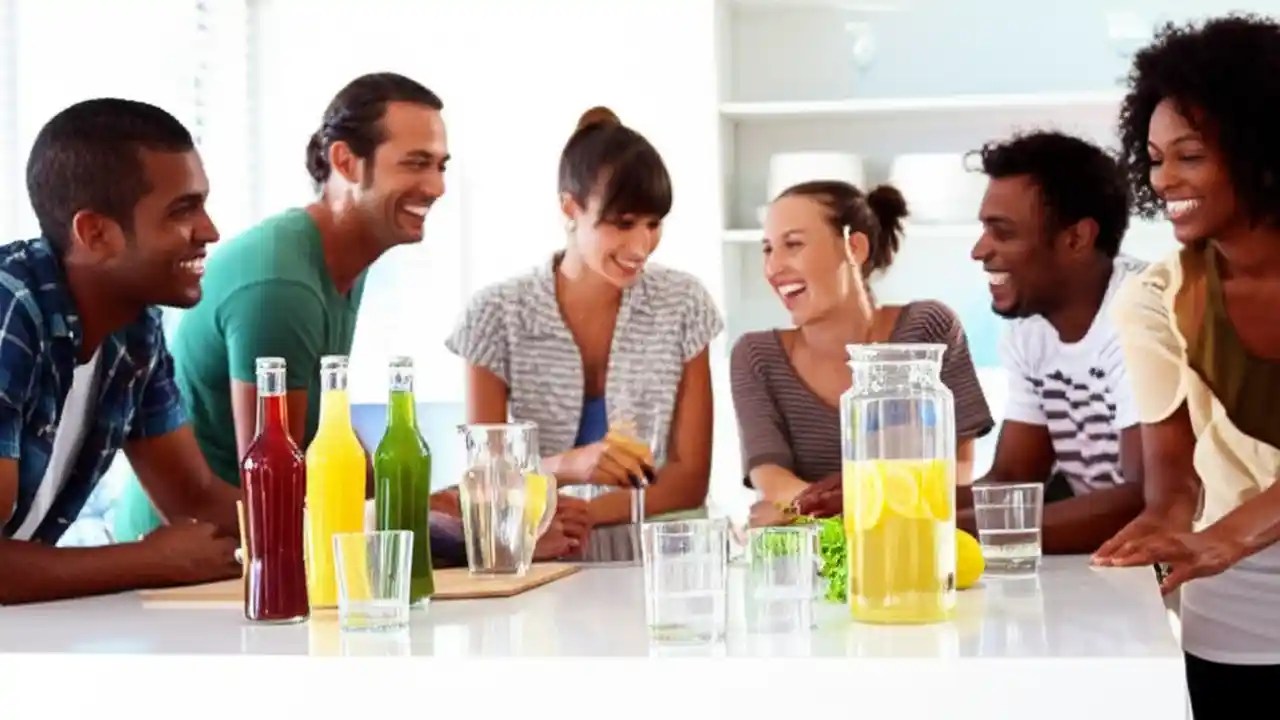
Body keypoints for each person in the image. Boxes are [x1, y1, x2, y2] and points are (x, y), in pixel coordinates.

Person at [109, 73, 583, 560]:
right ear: (345, 162)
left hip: (251, 546)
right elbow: (282, 491)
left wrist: (440, 507)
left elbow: (328, 435)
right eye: (416, 164)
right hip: (195, 556)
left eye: (441, 166)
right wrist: (489, 539)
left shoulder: (333, 266)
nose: (437, 186)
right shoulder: (282, 284)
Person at [1091, 15, 1280, 711]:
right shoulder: (1154, 301)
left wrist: (1223, 538)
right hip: (1236, 614)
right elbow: (1173, 484)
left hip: (1230, 551)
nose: (1165, 178)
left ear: (1260, 149)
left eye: (1190, 155)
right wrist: (1165, 531)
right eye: (1155, 157)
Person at [0, 98, 242, 604]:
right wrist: (148, 562)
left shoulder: (135, 329)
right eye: (183, 209)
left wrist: (370, 530)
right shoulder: (10, 311)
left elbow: (195, 499)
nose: (210, 231)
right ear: (95, 234)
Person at [446, 106, 723, 542]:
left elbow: (689, 478)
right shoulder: (496, 315)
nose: (642, 245)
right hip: (540, 563)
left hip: (658, 565)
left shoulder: (684, 304)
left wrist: (588, 514)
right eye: (624, 223)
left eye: (654, 224)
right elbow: (486, 479)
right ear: (570, 209)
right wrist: (568, 466)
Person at [733, 179, 994, 528]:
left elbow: (955, 474)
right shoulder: (757, 357)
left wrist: (816, 512)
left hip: (912, 554)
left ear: (853, 247)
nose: (773, 267)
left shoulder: (927, 329)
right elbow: (773, 482)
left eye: (793, 244)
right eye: (767, 249)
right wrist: (882, 504)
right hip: (814, 569)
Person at [947, 130, 1148, 555]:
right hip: (1118, 567)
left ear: (1076, 239)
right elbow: (1013, 479)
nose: (979, 250)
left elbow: (1143, 500)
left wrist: (944, 537)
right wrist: (882, 509)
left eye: (1002, 233)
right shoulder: (1028, 331)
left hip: (1204, 575)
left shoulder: (1140, 313)